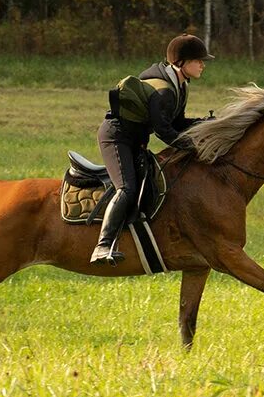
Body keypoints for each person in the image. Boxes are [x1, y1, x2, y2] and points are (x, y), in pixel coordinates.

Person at [90, 34, 216, 266]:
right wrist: (196, 145)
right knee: (127, 188)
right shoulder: (164, 91)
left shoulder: (179, 86)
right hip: (116, 138)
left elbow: (177, 123)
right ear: (181, 63)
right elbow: (164, 132)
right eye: (198, 60)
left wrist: (207, 124)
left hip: (135, 140)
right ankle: (103, 245)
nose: (202, 64)